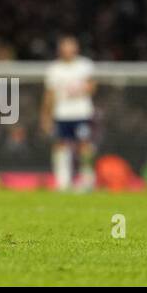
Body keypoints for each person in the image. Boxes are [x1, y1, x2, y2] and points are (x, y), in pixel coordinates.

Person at [41, 34, 97, 192]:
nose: (68, 50)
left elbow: (92, 86)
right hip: (62, 114)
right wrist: (46, 116)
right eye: (65, 46)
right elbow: (49, 95)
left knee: (84, 145)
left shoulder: (85, 65)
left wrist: (83, 89)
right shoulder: (54, 69)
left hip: (81, 113)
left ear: (76, 48)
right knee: (60, 145)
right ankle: (62, 181)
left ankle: (87, 179)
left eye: (71, 46)